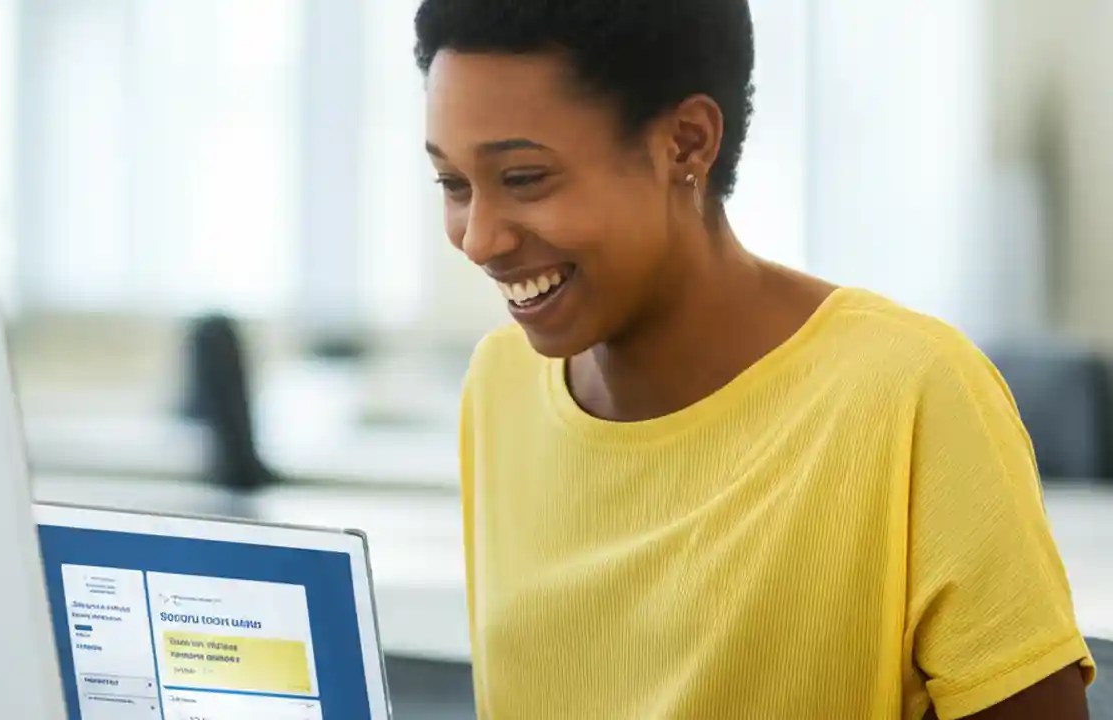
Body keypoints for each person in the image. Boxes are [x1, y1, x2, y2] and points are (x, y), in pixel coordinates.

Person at [413, 0, 1097, 718]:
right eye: (453, 185)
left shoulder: (908, 392)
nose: (479, 239)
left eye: (524, 178)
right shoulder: (502, 384)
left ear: (686, 142)